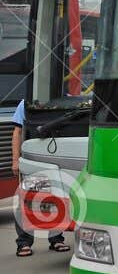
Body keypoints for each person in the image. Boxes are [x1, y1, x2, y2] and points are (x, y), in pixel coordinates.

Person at [12, 102, 68, 257]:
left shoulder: (68, 103)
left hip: (57, 158)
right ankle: (24, 242)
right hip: (32, 159)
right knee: (26, 200)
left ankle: (56, 239)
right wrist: (16, 160)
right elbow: (17, 132)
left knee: (57, 199)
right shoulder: (26, 104)